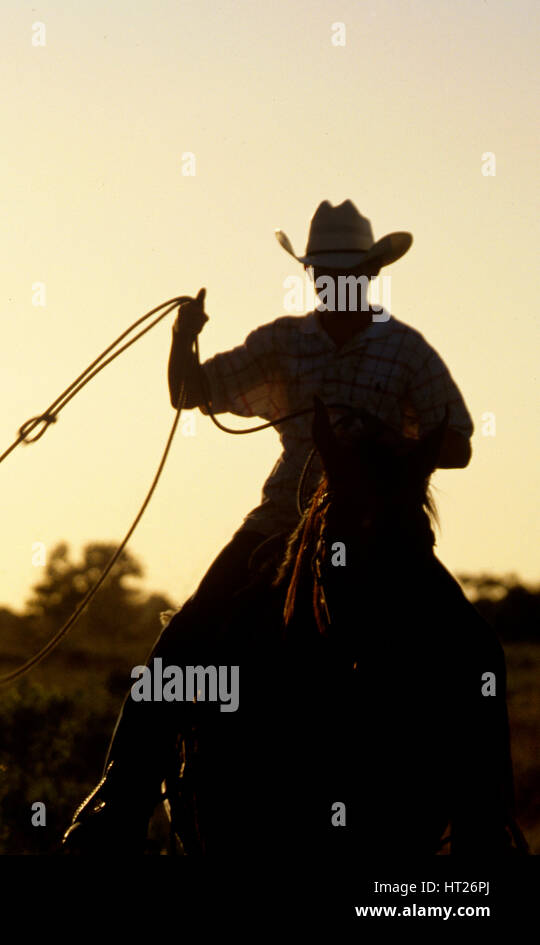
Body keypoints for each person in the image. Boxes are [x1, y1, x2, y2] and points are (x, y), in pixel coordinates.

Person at [65, 199, 478, 850]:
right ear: (313, 275)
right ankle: (118, 804)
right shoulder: (283, 344)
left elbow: (457, 442)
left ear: (368, 275)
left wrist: (383, 443)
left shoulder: (406, 351)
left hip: (382, 528)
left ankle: (486, 822)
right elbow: (189, 390)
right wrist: (183, 337)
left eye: (347, 275)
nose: (335, 286)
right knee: (183, 644)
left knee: (471, 646)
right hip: (280, 519)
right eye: (325, 274)